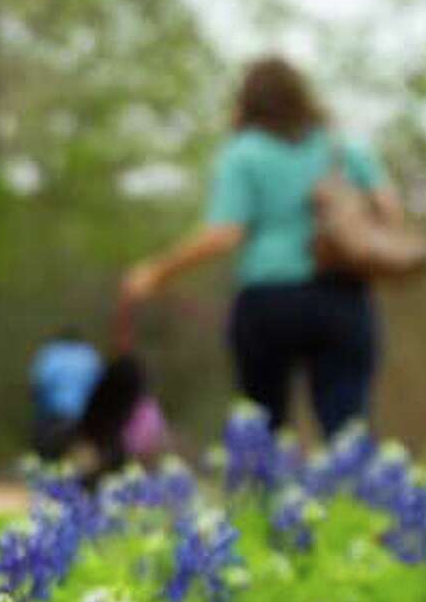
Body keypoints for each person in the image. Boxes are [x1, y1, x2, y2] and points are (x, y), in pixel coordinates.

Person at [119, 56, 402, 439]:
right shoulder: (345, 147)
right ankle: (354, 489)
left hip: (268, 300)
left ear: (248, 102)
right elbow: (390, 211)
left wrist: (156, 272)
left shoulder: (243, 153)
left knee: (262, 424)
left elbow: (224, 234)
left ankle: (265, 491)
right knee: (347, 422)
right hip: (341, 294)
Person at [28, 328, 103, 460]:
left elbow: (38, 384)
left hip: (53, 414)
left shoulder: (51, 353)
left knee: (48, 453)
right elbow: (101, 386)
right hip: (84, 416)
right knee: (79, 455)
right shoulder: (90, 355)